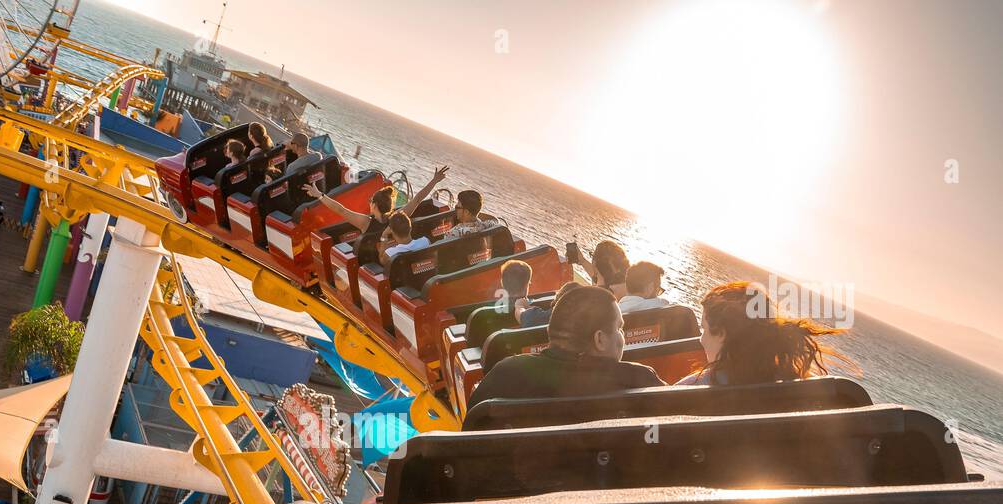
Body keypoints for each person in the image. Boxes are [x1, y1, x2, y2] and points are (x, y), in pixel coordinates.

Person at [467, 285, 664, 405]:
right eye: (620, 329)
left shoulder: (505, 375)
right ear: (600, 340)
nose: (622, 336)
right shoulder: (641, 380)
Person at [677, 281, 855, 386]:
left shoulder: (695, 388)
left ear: (722, 334)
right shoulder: (804, 389)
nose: (701, 340)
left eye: (704, 330)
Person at [303, 165, 448, 262]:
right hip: (391, 261)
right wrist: (434, 181)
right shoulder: (398, 217)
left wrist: (320, 195)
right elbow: (417, 199)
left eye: (371, 200)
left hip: (370, 263)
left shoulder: (366, 222)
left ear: (375, 205)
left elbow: (340, 209)